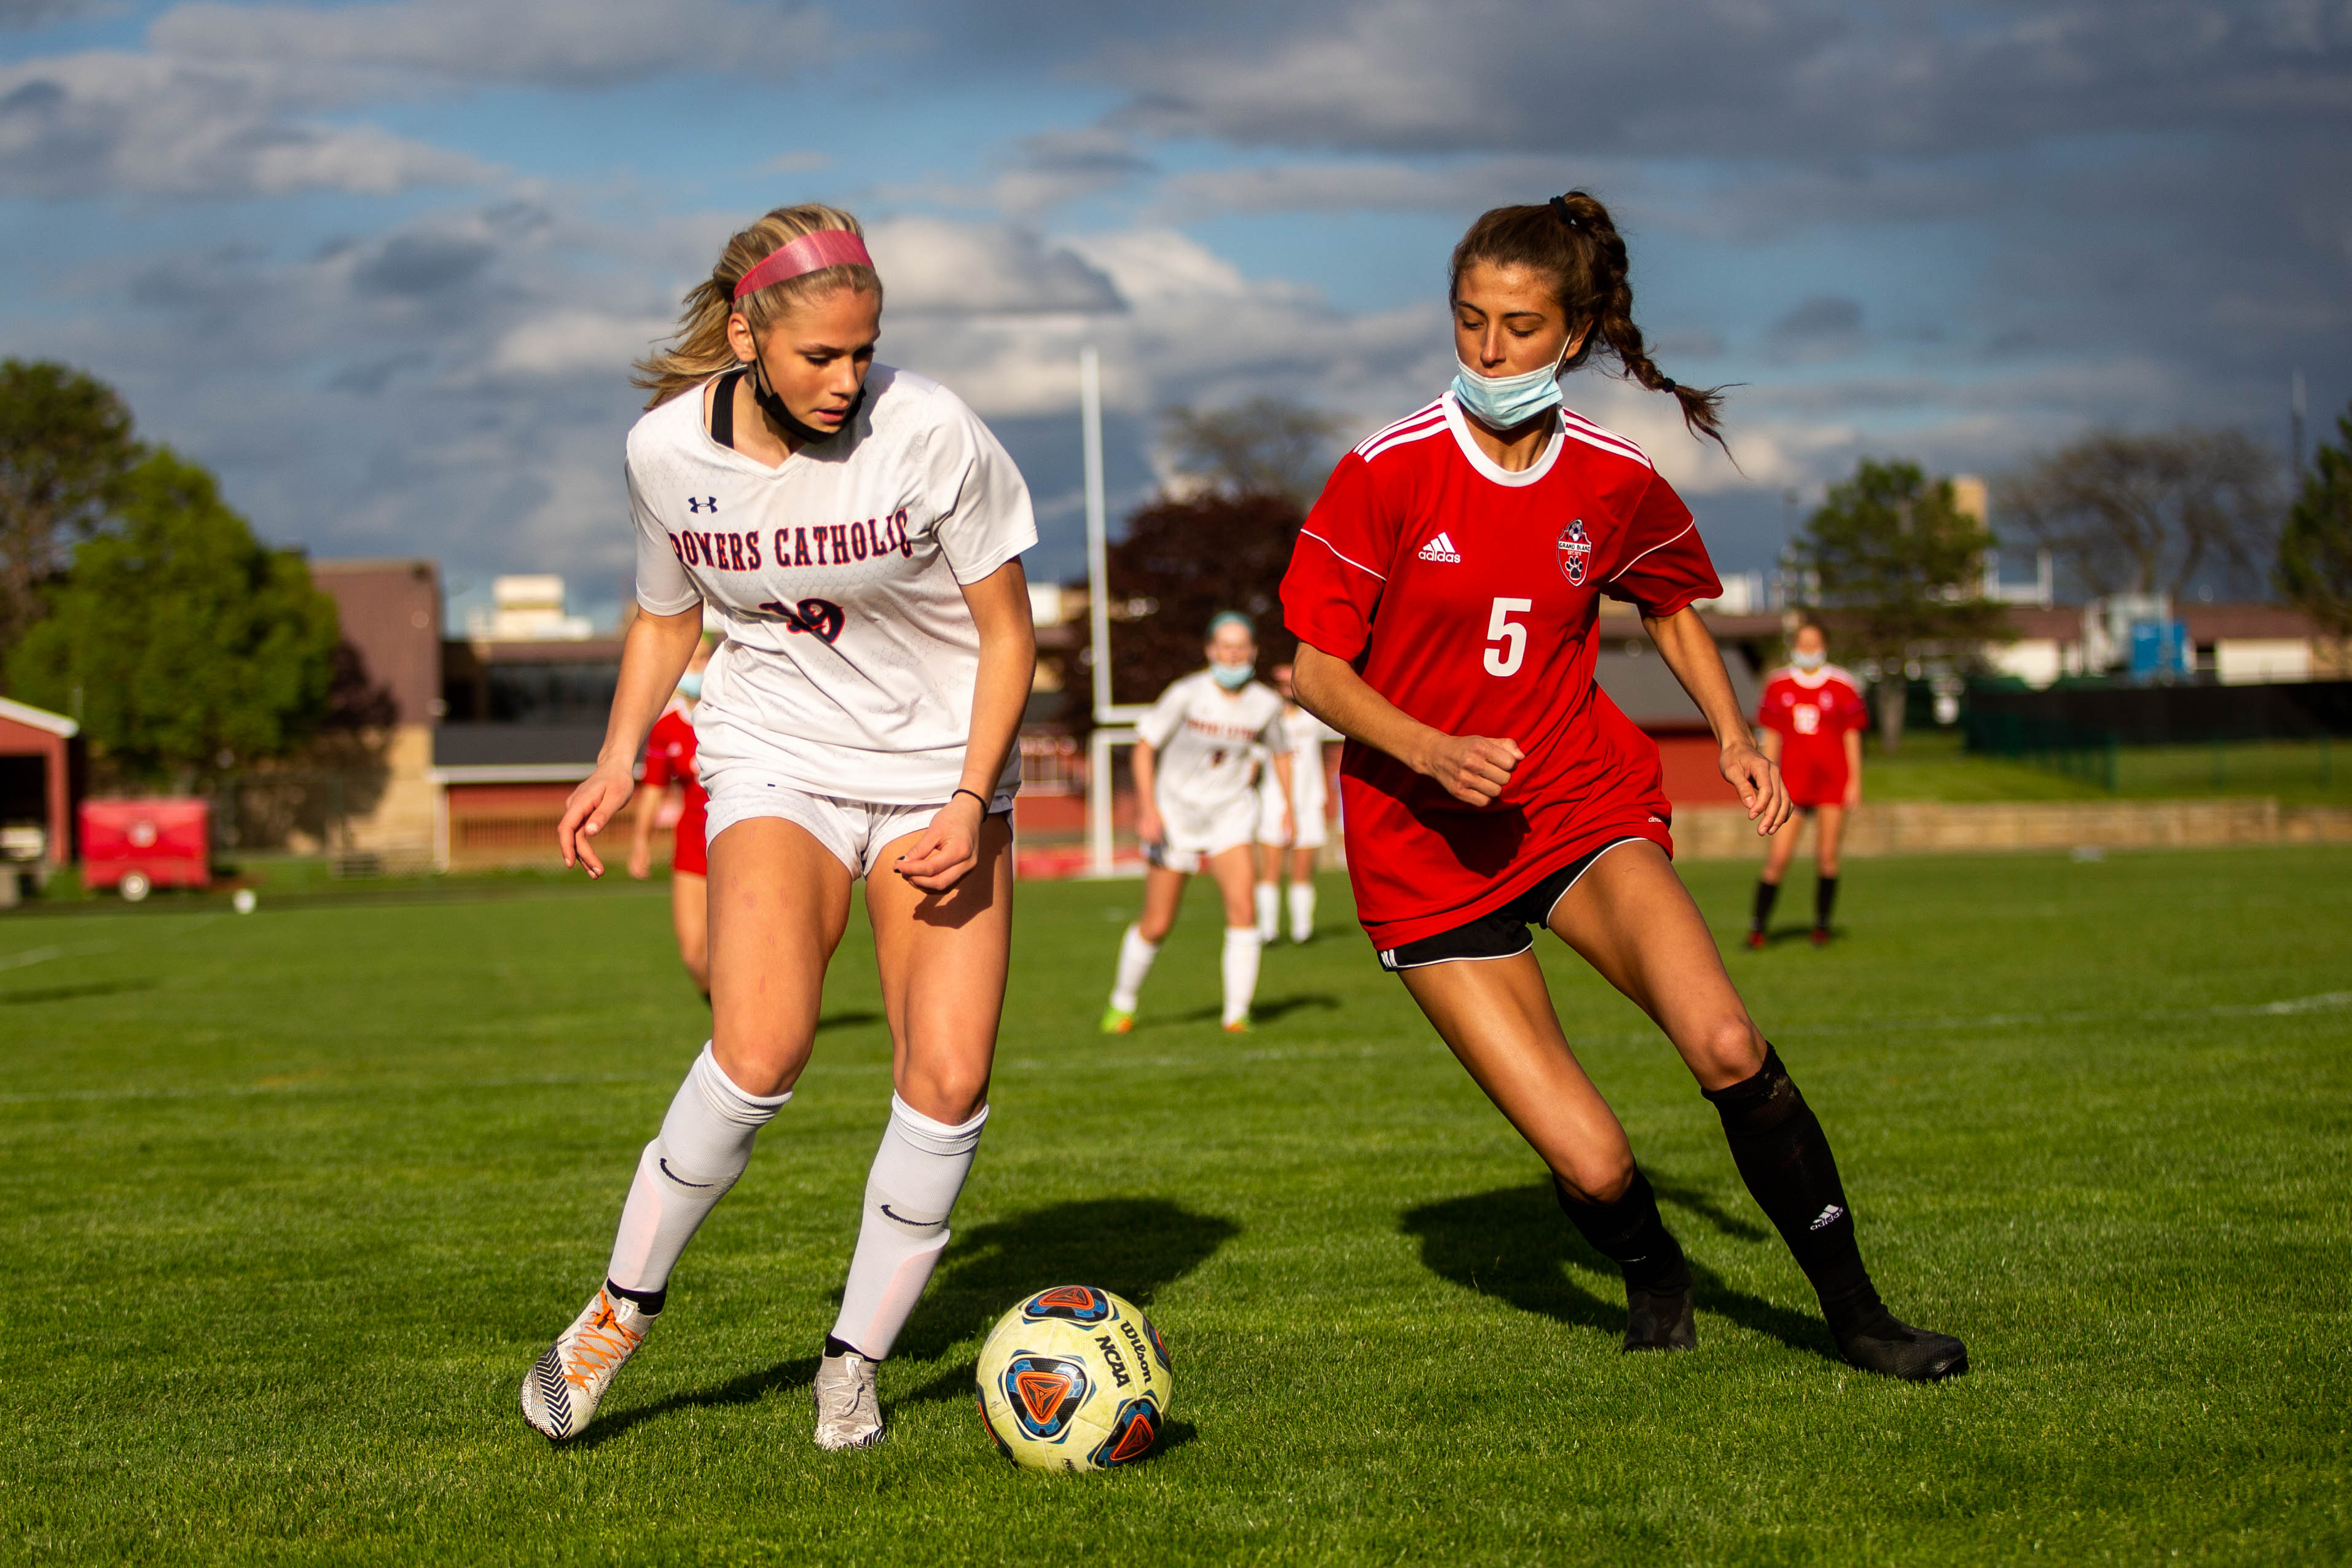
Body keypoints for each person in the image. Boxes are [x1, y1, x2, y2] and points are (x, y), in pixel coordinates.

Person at [1279, 191, 1965, 1381]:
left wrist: (1736, 733)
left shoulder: (1610, 476)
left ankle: (1860, 1318)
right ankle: (1654, 1268)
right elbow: (1315, 671)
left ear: (1577, 335)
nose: (1488, 351)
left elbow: (1670, 604)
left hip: (1576, 805)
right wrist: (1431, 749)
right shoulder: (1385, 474)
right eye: (1469, 320)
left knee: (1724, 1037)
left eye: (1520, 327)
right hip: (1422, 849)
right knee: (1592, 1163)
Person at [518, 203, 1039, 1450]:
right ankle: (617, 1310)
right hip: (777, 759)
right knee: (760, 1047)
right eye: (822, 356)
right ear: (749, 333)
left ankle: (852, 1361)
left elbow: (1012, 633)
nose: (849, 379)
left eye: (866, 351)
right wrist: (617, 754)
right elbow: (664, 615)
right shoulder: (661, 452)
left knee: (948, 1076)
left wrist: (971, 805)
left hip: (940, 774)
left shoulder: (932, 431)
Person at [1101, 613, 1293, 1035]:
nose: (1234, 654)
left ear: (1254, 652)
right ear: (1211, 651)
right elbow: (1144, 746)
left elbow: (1281, 751)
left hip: (1231, 815)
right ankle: (1122, 1002)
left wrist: (1288, 807)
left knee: (1244, 909)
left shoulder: (1265, 704)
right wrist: (1148, 809)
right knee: (1157, 922)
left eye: (1242, 646)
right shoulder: (1186, 694)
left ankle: (1236, 1015)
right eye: (1226, 646)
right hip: (1177, 817)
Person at [1749, 623, 1867, 948]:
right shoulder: (1778, 685)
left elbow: (1851, 736)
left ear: (1825, 645)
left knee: (1827, 856)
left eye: (1814, 643)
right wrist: (1766, 780)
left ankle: (1822, 927)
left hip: (1832, 783)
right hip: (1792, 786)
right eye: (1803, 643)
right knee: (1777, 859)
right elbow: (1771, 737)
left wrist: (1855, 782)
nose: (1809, 649)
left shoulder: (1843, 685)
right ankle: (1758, 928)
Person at [628, 633, 718, 997]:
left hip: (737, 845)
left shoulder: (736, 717)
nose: (696, 665)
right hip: (692, 851)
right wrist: (640, 843)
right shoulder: (667, 729)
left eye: (703, 657)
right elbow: (653, 789)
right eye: (690, 658)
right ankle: (732, 1018)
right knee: (695, 956)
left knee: (734, 951)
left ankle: (743, 1031)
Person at [1252, 662, 1340, 944]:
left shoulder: (1312, 720)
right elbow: (1252, 763)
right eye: (1280, 683)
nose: (1286, 689)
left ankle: (1303, 931)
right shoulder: (1264, 720)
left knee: (1303, 870)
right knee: (1271, 870)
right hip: (1273, 802)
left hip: (1309, 802)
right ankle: (1269, 931)